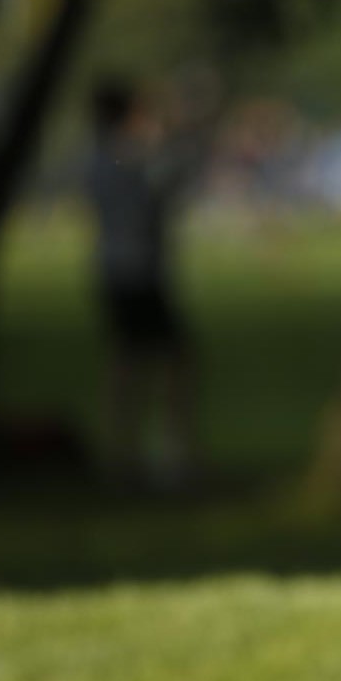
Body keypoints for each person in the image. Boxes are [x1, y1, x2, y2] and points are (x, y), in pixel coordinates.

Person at [84, 75, 204, 490]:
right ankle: (165, 454)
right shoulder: (119, 158)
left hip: (117, 270)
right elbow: (159, 184)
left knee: (129, 361)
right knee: (169, 362)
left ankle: (124, 451)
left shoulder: (101, 157)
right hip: (138, 271)